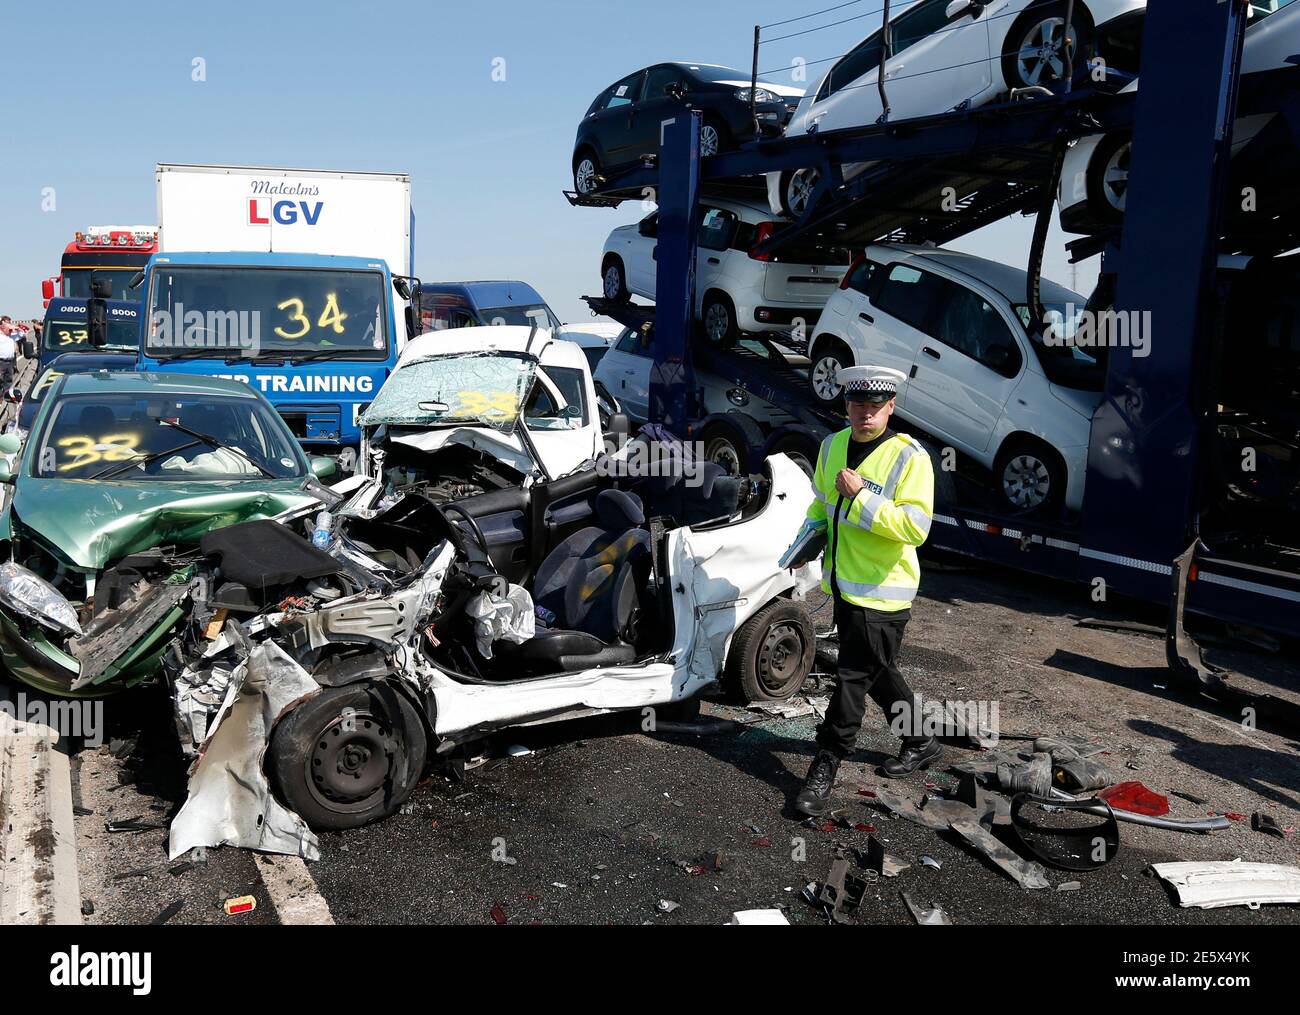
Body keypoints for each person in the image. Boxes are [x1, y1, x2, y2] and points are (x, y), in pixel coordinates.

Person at [787, 365, 937, 817]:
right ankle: (922, 739)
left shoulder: (911, 457)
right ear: (847, 404)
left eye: (876, 406)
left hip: (885, 592)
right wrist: (804, 541)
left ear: (891, 407)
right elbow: (820, 501)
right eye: (858, 405)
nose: (865, 414)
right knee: (878, 672)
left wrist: (861, 497)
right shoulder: (832, 445)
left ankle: (827, 760)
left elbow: (915, 528)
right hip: (846, 586)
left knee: (852, 677)